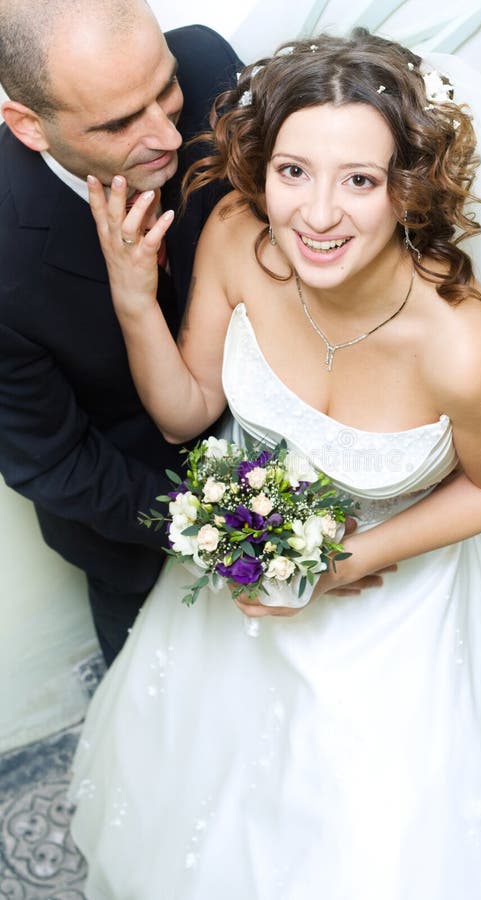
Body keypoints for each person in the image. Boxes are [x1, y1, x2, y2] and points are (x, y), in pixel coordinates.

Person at [69, 31, 481, 899]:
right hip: (246, 587)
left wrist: (345, 560)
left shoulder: (458, 341)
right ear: (262, 169)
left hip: (402, 607)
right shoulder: (239, 237)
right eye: (293, 172)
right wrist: (135, 301)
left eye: (360, 179)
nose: (317, 215)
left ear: (407, 188)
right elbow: (187, 412)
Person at [0, 0, 241, 664]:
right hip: (134, 528)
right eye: (119, 123)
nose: (166, 134)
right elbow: (49, 459)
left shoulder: (209, 63)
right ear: (29, 127)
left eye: (165, 88)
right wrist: (227, 530)